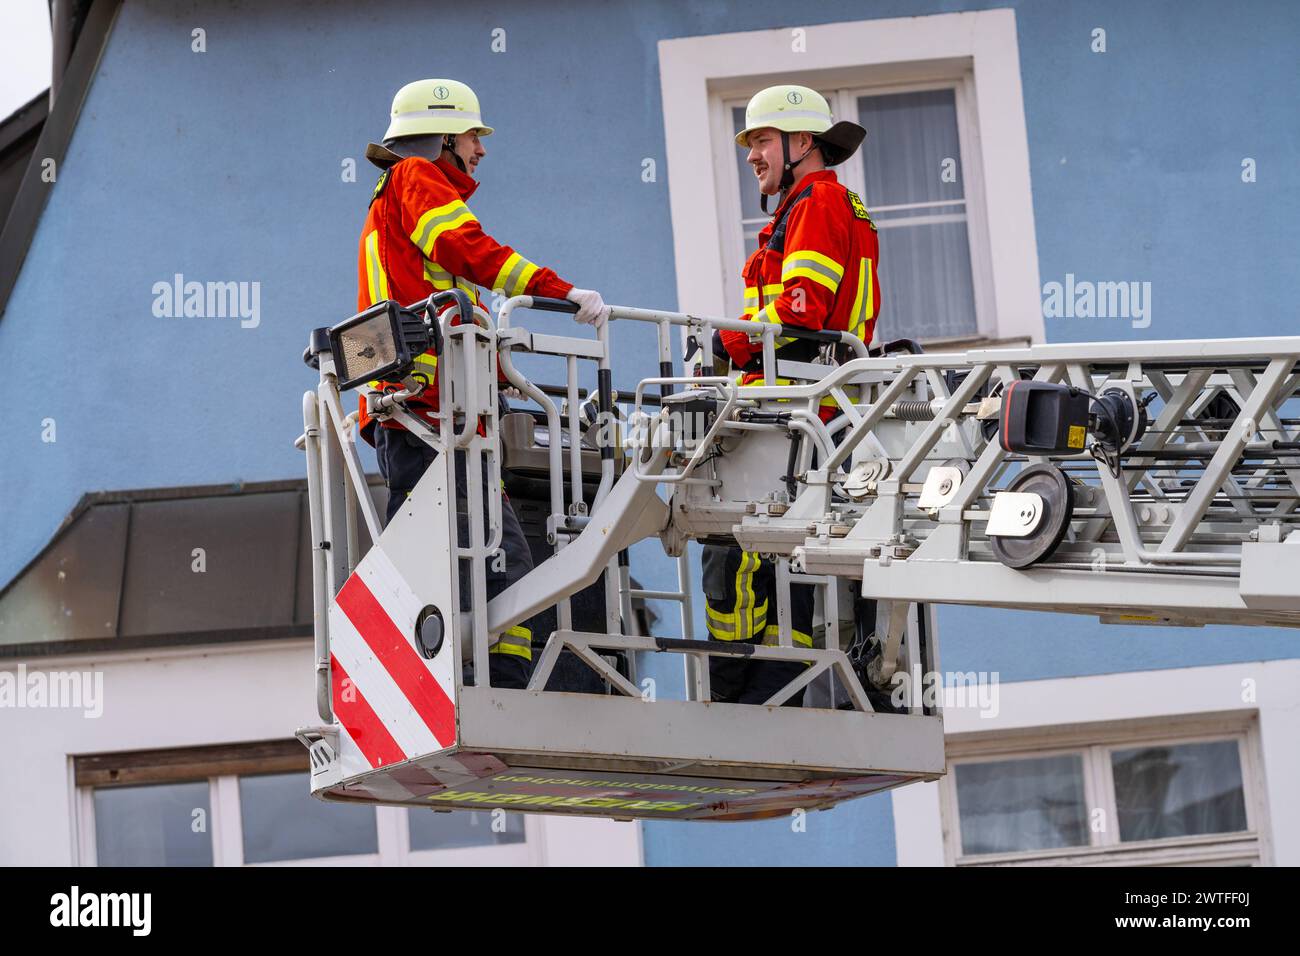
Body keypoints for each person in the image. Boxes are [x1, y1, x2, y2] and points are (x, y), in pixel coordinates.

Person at [356, 78, 608, 689]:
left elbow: (446, 303)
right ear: (441, 136)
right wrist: (560, 292)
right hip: (429, 417)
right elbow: (472, 253)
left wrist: (500, 376)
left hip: (430, 414)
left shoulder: (397, 198)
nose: (481, 149)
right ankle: (496, 691)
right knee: (501, 565)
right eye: (473, 135)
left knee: (475, 561)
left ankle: (476, 682)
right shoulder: (416, 177)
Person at [702, 84, 881, 705]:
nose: (752, 156)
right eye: (749, 143)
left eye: (761, 141)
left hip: (800, 406)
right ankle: (766, 689)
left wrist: (728, 344)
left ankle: (742, 695)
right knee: (778, 555)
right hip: (806, 405)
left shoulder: (816, 203)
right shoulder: (819, 204)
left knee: (734, 543)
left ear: (802, 143)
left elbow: (801, 306)